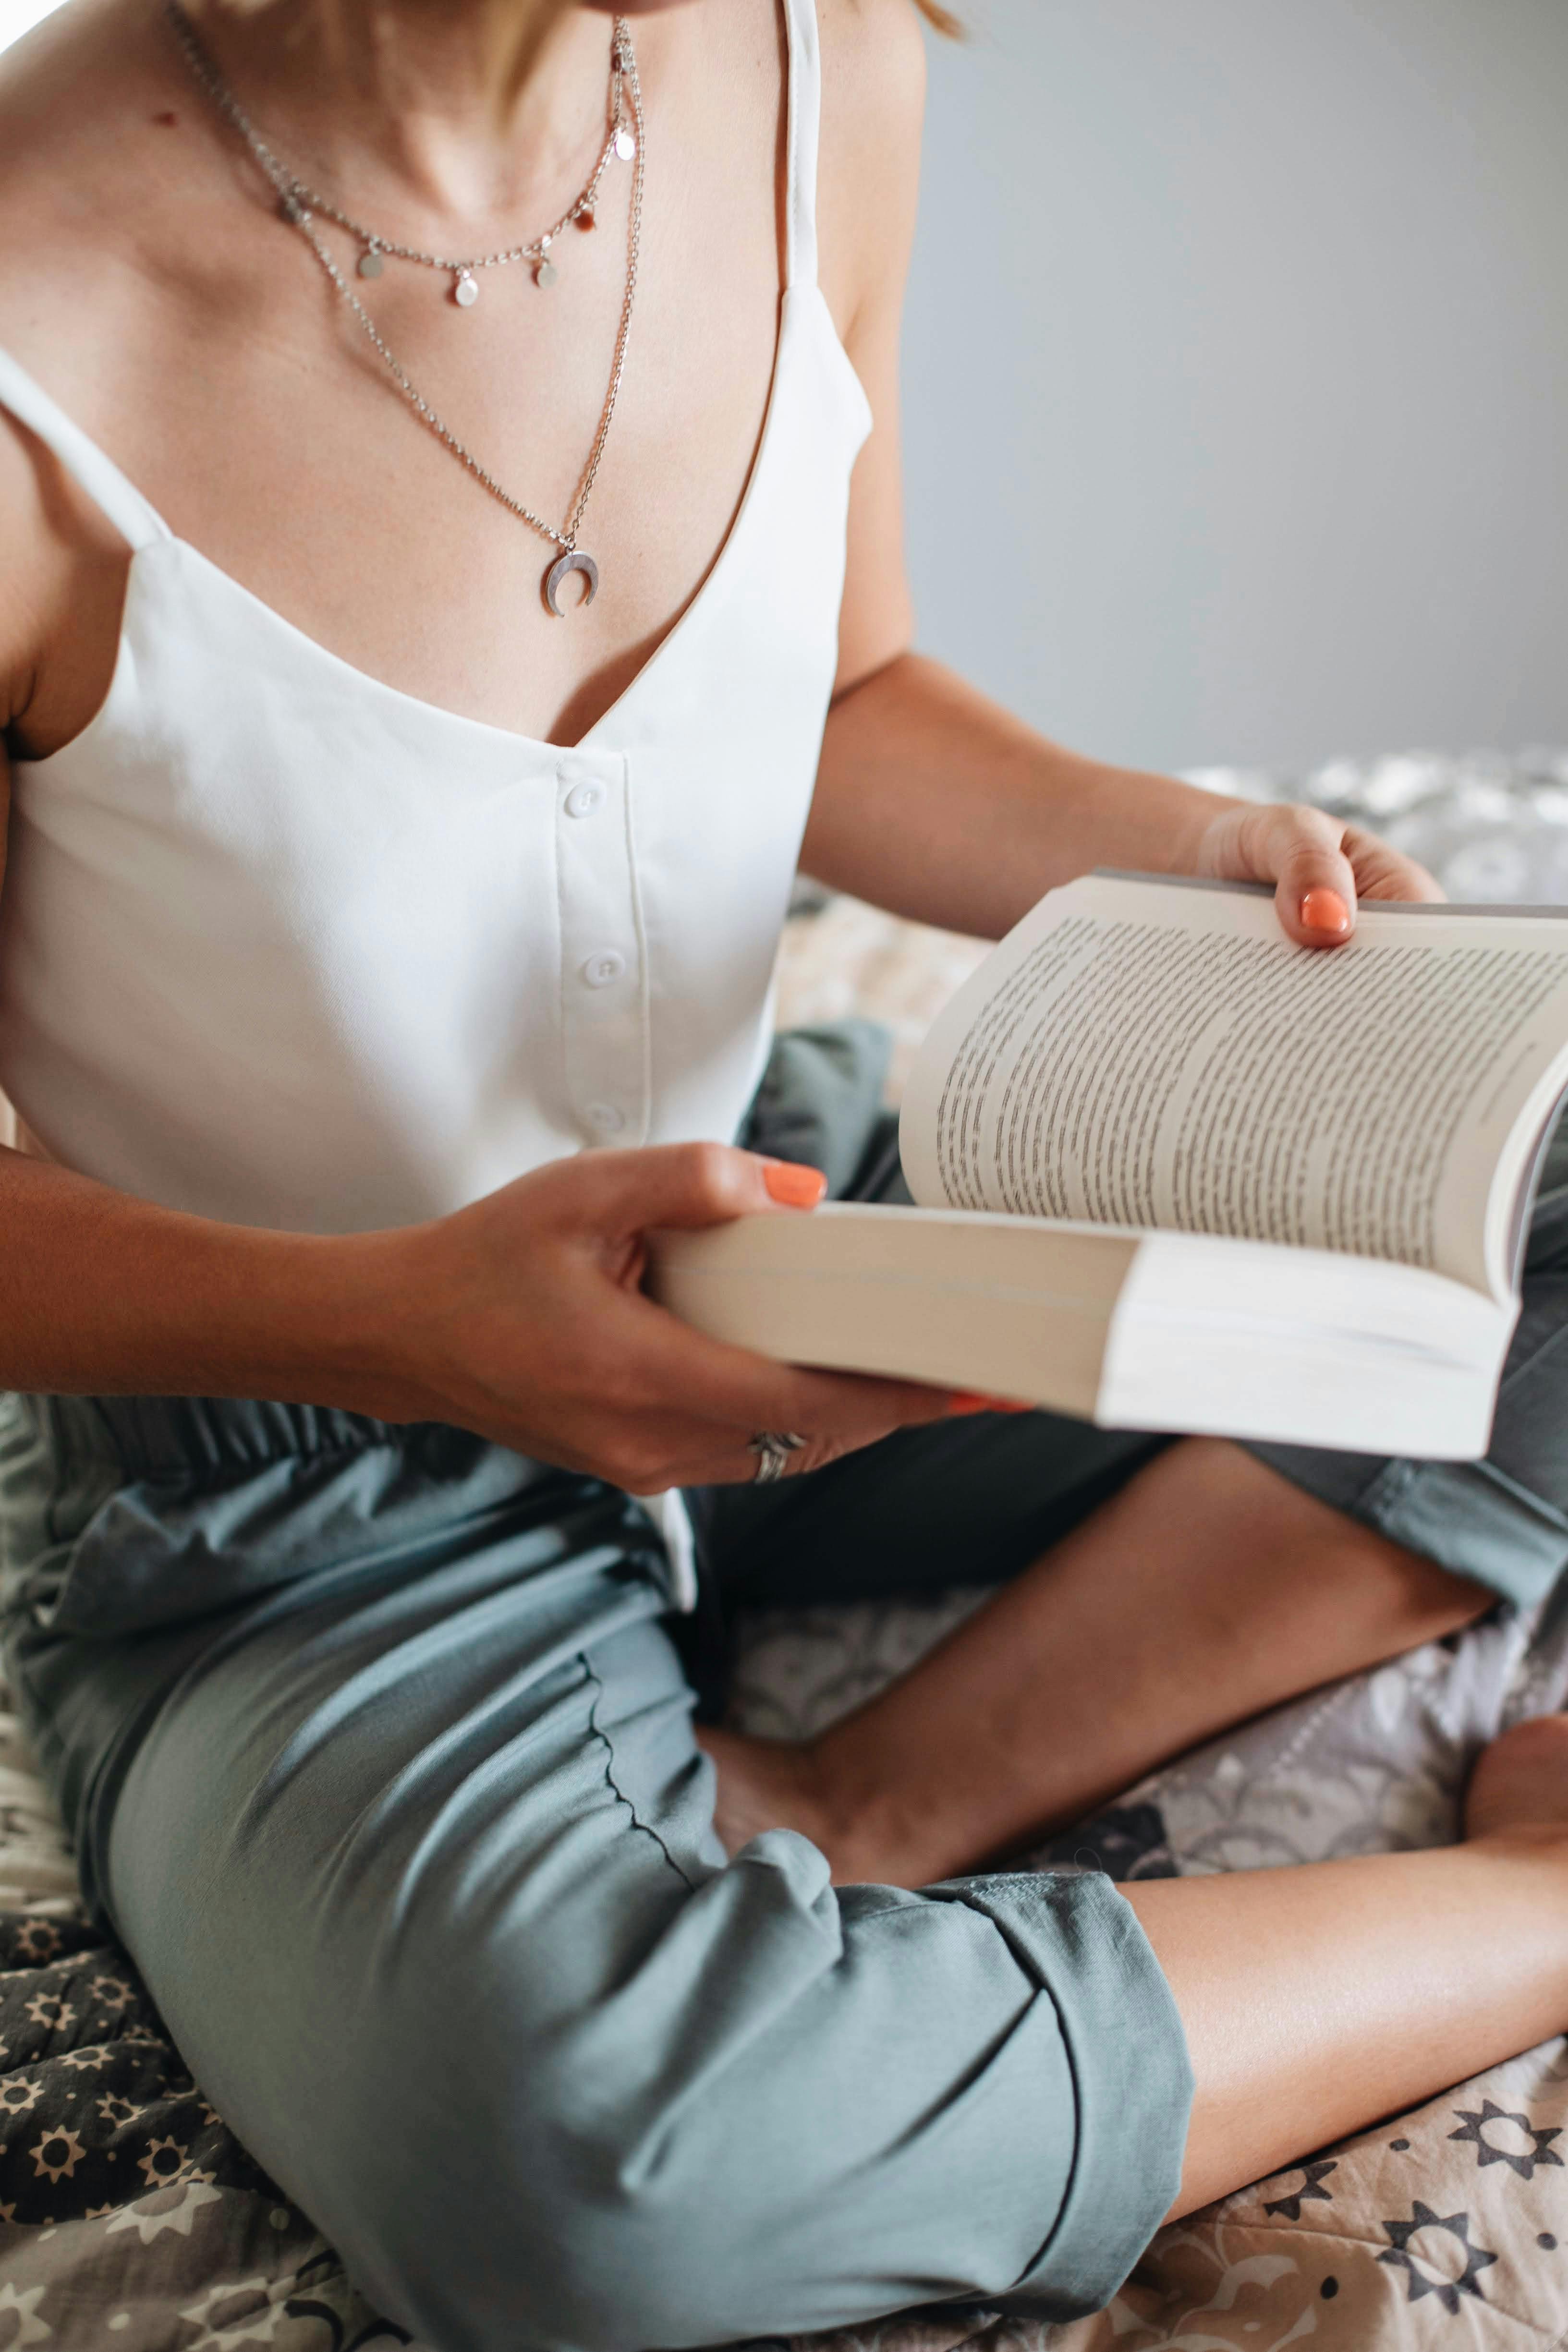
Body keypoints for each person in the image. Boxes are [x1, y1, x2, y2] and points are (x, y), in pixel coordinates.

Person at [2, 0, 1568, 2344]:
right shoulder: (32, 309)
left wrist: (1204, 856)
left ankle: (881, 1799)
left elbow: (834, 696)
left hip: (792, 1236)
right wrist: (404, 1320)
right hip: (293, 1471)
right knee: (595, 2180)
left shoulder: (821, 62)